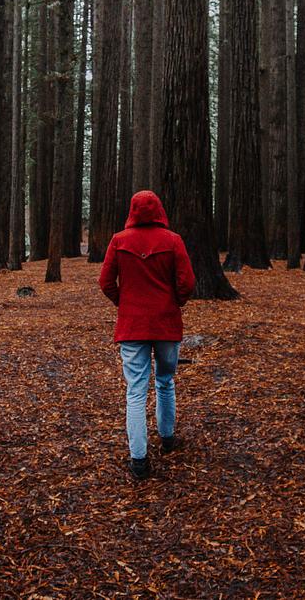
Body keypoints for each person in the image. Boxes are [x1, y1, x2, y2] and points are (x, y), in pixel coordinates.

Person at [97, 190, 196, 480]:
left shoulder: (119, 241)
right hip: (166, 324)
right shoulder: (173, 241)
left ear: (132, 211)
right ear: (159, 210)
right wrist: (176, 302)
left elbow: (105, 281)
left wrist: (123, 302)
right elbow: (187, 282)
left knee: (136, 392)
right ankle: (167, 438)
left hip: (132, 327)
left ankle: (138, 460)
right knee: (165, 381)